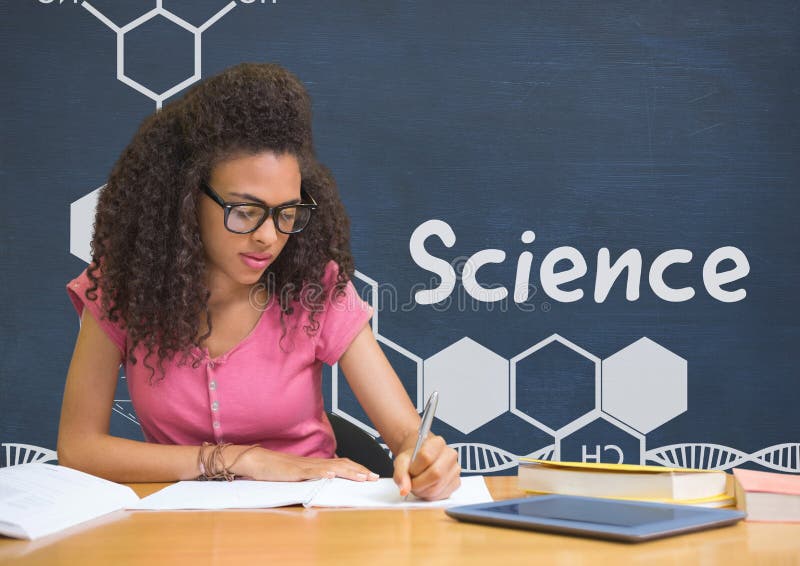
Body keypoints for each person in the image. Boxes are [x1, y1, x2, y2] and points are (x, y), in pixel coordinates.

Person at [58, 62, 460, 501]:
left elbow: (406, 433)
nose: (269, 236)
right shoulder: (121, 288)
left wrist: (425, 457)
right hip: (177, 529)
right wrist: (241, 459)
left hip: (311, 520)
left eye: (287, 213)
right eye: (246, 211)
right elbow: (79, 449)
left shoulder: (313, 286)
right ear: (187, 199)